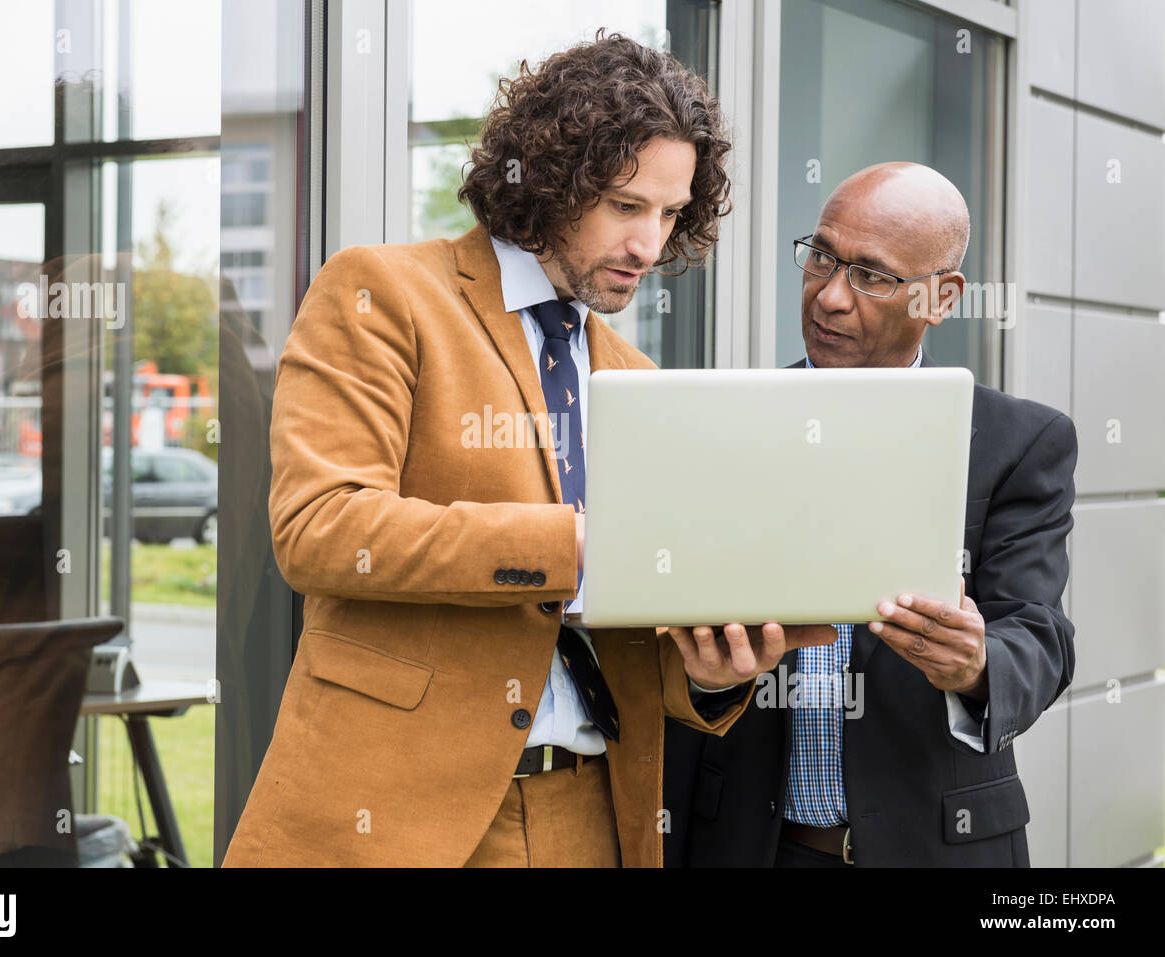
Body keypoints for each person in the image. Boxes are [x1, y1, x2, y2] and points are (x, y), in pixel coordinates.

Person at [222, 32, 834, 868]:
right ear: (550, 179)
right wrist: (580, 548)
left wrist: (711, 670)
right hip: (391, 815)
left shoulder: (637, 377)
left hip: (589, 814)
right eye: (625, 205)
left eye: (668, 213)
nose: (650, 247)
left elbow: (621, 637)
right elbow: (321, 527)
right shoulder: (383, 292)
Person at [663, 162, 1078, 867]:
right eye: (820, 256)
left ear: (941, 298)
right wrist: (710, 678)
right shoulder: (725, 425)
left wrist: (977, 665)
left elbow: (1039, 637)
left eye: (871, 276)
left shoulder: (1018, 442)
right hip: (753, 845)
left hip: (939, 846)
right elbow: (673, 641)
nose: (828, 297)